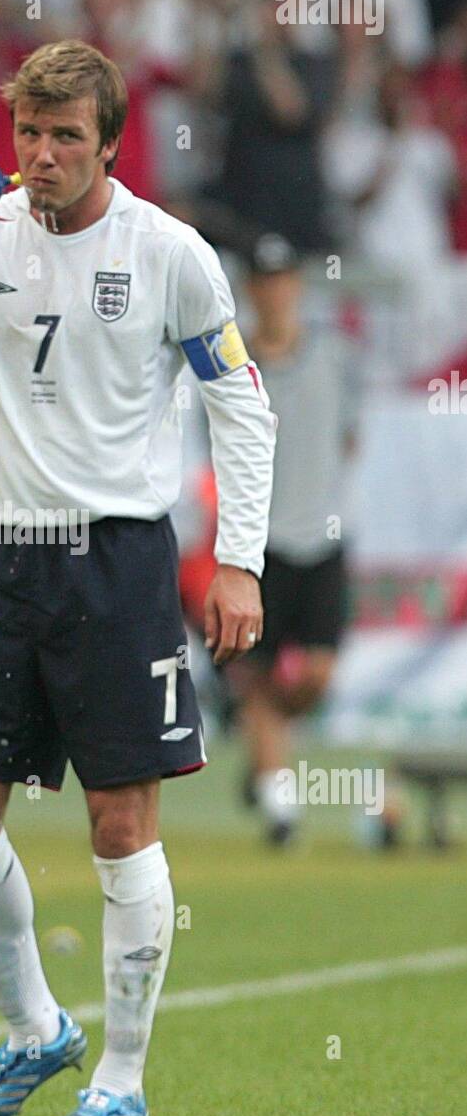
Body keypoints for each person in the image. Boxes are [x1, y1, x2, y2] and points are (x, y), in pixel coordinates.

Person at [0, 40, 276, 1116]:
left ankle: (121, 1074)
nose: (41, 156)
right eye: (28, 133)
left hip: (117, 561)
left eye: (65, 136)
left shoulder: (169, 252)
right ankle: (38, 1029)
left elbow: (241, 403)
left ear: (110, 142)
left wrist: (238, 559)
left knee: (121, 826)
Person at [228, 233, 358, 845]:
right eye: (265, 281)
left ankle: (260, 743)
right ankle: (281, 805)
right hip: (259, 541)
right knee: (254, 672)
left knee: (316, 675)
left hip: (323, 536)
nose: (276, 292)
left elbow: (350, 437)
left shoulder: (335, 357)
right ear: (252, 290)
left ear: (297, 286)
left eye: (284, 280)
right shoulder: (234, 366)